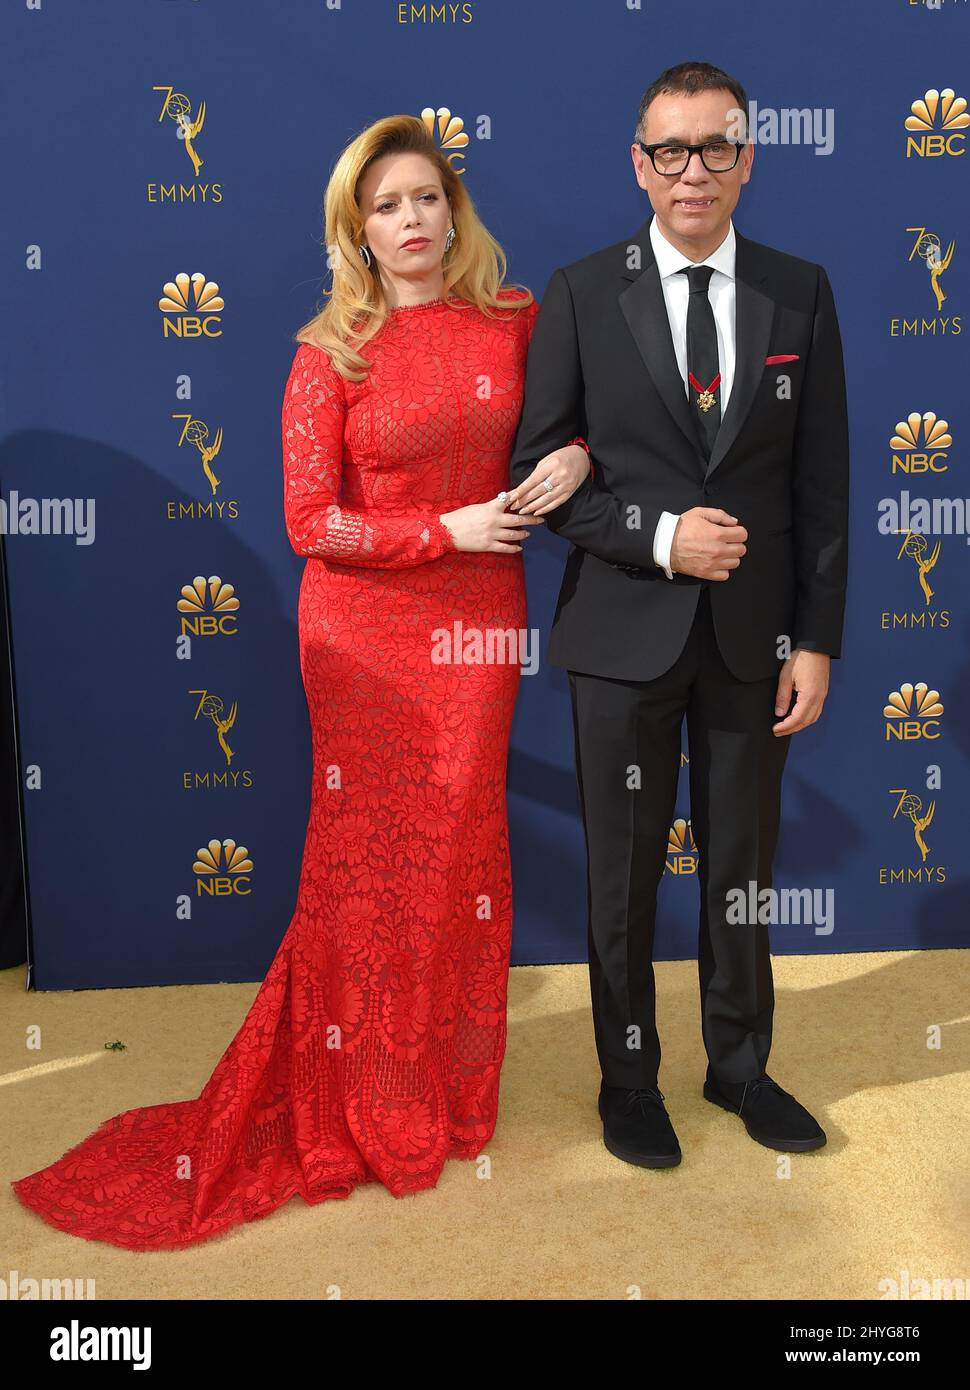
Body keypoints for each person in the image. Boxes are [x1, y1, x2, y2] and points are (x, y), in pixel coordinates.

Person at [10, 115, 590, 1248]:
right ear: (356, 231)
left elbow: (580, 430)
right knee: (366, 874)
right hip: (365, 642)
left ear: (453, 210)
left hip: (478, 632)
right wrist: (446, 528)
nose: (412, 220)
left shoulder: (516, 323)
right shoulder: (329, 350)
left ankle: (445, 1094)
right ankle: (358, 1100)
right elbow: (308, 521)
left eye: (426, 197)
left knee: (460, 855)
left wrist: (574, 460)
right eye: (386, 206)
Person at [510, 61, 849, 1169]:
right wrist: (662, 539)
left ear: (747, 159)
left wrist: (820, 639)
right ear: (638, 164)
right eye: (669, 149)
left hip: (756, 643)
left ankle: (740, 1066)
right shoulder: (576, 293)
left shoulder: (801, 291)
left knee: (742, 863)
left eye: (715, 147)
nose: (690, 170)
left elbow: (822, 490)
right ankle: (628, 1077)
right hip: (620, 637)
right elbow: (540, 474)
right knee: (623, 869)